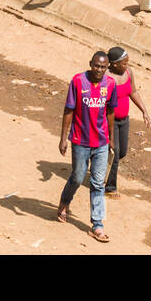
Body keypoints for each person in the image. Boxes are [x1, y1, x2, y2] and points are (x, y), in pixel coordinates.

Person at [57, 50, 117, 243]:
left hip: (101, 142)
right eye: (96, 66)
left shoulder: (110, 84)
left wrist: (111, 139)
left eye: (103, 67)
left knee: (98, 183)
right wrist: (63, 138)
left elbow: (110, 111)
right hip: (80, 141)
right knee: (77, 177)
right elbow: (69, 109)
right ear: (90, 64)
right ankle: (65, 201)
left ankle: (97, 225)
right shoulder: (77, 81)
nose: (99, 70)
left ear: (107, 67)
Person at [105, 46, 151, 198]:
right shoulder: (106, 77)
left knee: (122, 152)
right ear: (114, 64)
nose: (127, 65)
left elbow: (133, 91)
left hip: (124, 120)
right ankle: (110, 188)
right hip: (109, 120)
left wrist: (144, 110)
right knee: (115, 152)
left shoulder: (128, 72)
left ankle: (100, 166)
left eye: (127, 62)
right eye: (123, 63)